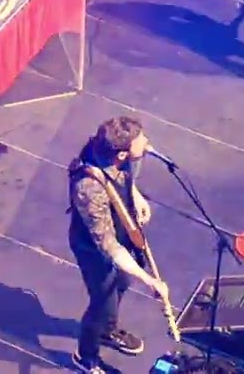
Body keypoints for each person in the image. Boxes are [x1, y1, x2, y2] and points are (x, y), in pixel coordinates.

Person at [66, 116, 168, 373]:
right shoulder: (87, 186)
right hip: (94, 248)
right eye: (140, 140)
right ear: (122, 153)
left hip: (119, 230)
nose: (146, 142)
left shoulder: (115, 156)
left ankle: (108, 331)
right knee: (101, 302)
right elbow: (108, 245)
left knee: (122, 282)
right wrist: (150, 280)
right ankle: (85, 355)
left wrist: (136, 197)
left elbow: (121, 179)